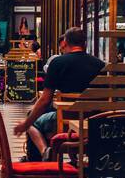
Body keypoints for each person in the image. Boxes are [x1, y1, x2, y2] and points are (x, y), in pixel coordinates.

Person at [13, 26, 104, 160]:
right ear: (84, 43)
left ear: (65, 42)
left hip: (65, 121)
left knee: (33, 121)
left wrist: (25, 124)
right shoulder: (100, 65)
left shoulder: (58, 63)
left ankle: (43, 156)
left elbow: (45, 100)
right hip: (93, 121)